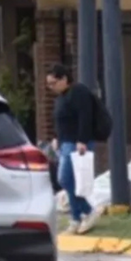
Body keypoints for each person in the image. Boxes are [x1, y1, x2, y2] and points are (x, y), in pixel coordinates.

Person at [46, 64, 101, 234]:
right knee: (69, 181)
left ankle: (88, 211)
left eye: (53, 83)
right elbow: (62, 121)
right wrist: (57, 138)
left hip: (76, 142)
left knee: (64, 179)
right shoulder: (61, 97)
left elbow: (85, 116)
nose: (51, 87)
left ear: (64, 79)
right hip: (65, 142)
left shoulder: (78, 92)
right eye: (48, 84)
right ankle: (76, 218)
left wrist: (82, 140)